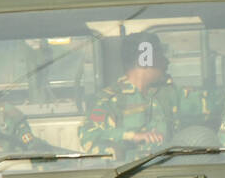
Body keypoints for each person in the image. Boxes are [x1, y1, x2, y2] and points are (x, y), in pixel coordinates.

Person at [79, 34, 212, 160]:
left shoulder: (169, 93)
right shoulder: (108, 101)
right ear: (145, 59)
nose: (166, 62)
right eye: (160, 55)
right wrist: (132, 136)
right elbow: (89, 136)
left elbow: (210, 103)